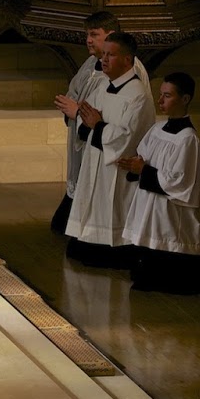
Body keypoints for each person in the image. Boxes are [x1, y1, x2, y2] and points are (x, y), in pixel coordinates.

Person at [61, 31, 155, 268]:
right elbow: (85, 118)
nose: (103, 60)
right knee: (80, 244)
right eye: (103, 55)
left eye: (110, 55)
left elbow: (126, 138)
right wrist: (92, 124)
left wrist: (98, 125)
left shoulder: (138, 95)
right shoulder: (104, 86)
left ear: (126, 60)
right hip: (96, 161)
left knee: (112, 219)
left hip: (117, 169)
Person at [120, 72, 200, 293]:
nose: (160, 101)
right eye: (160, 95)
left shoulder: (188, 140)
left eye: (167, 96)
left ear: (185, 99)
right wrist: (134, 165)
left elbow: (180, 182)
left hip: (170, 214)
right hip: (149, 206)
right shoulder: (157, 129)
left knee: (164, 268)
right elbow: (142, 157)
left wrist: (143, 170)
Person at [51, 10, 122, 232]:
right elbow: (74, 90)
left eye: (94, 34)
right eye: (87, 35)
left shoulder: (122, 72)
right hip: (80, 149)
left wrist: (77, 113)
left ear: (110, 35)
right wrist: (72, 108)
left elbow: (108, 114)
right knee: (60, 226)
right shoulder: (91, 62)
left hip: (99, 149)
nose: (88, 40)